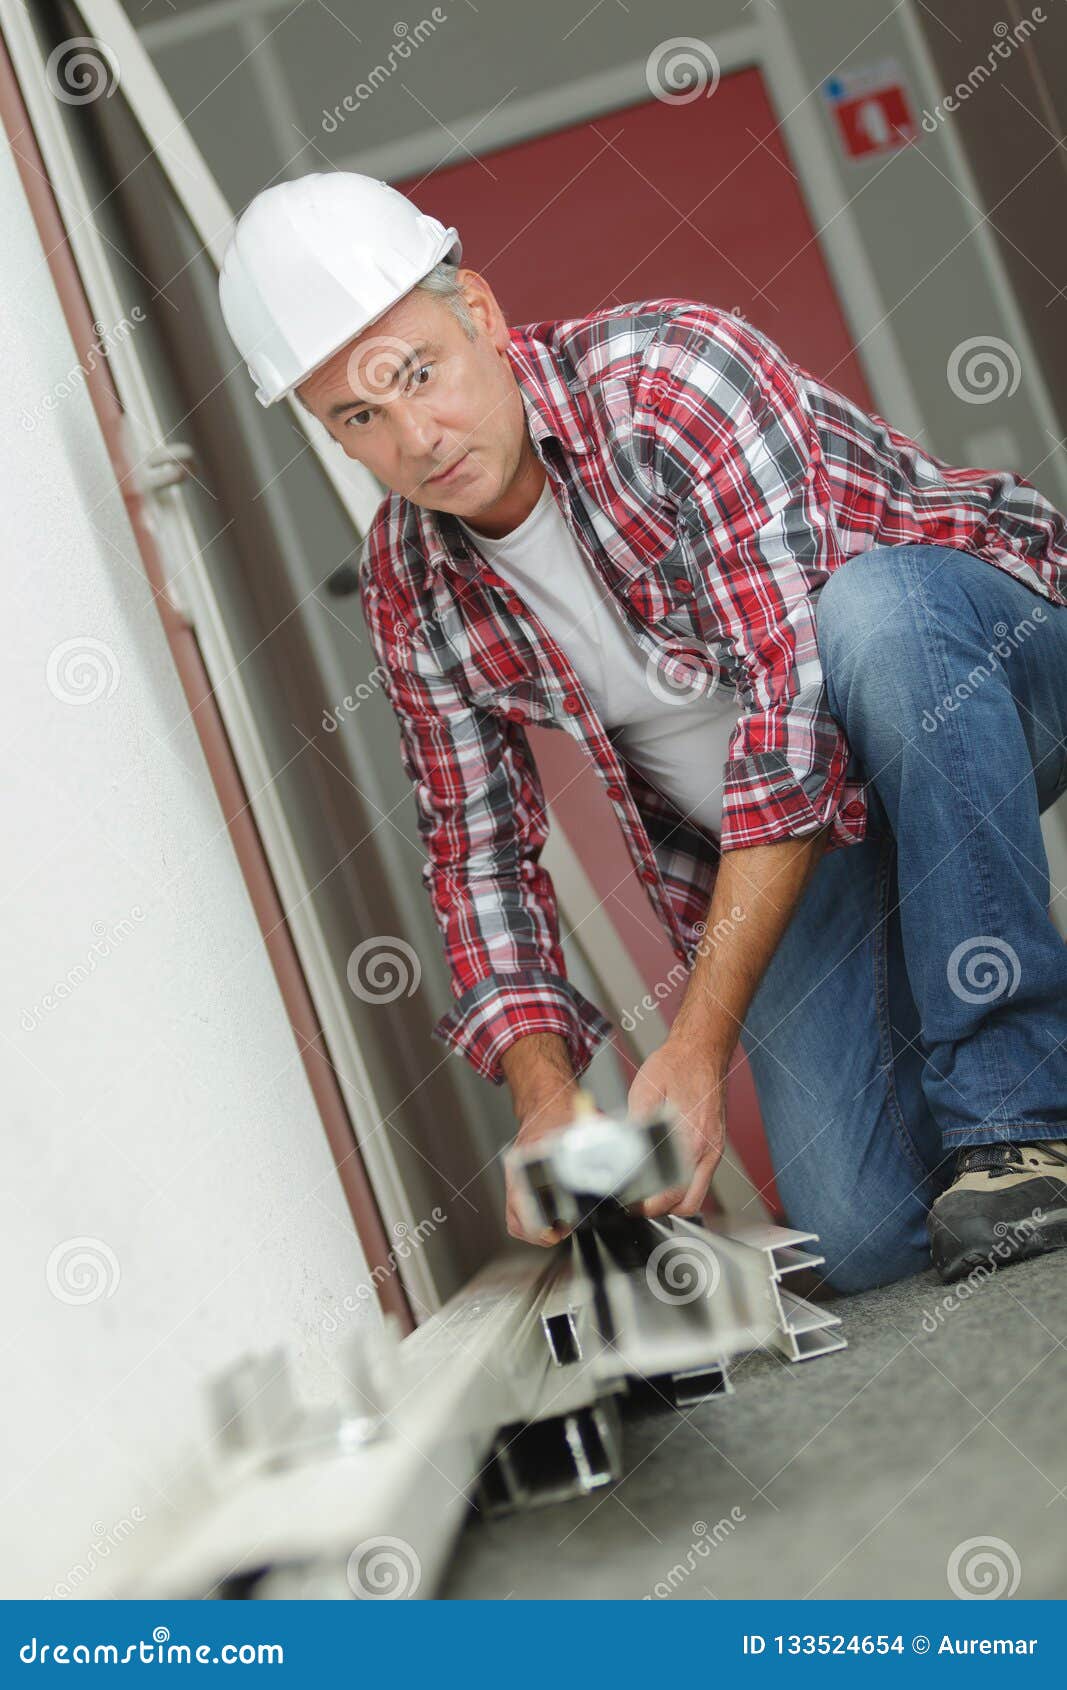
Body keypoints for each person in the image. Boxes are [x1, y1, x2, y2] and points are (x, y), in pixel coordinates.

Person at [218, 170, 1067, 1291]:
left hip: (987, 673)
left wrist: (696, 1041)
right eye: (358, 419)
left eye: (418, 373)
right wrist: (544, 1099)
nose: (416, 438)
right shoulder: (407, 583)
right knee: (858, 1239)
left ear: (476, 313)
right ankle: (973, 1127)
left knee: (873, 615)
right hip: (804, 843)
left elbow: (793, 703)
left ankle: (1016, 1123)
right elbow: (478, 862)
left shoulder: (670, 377)